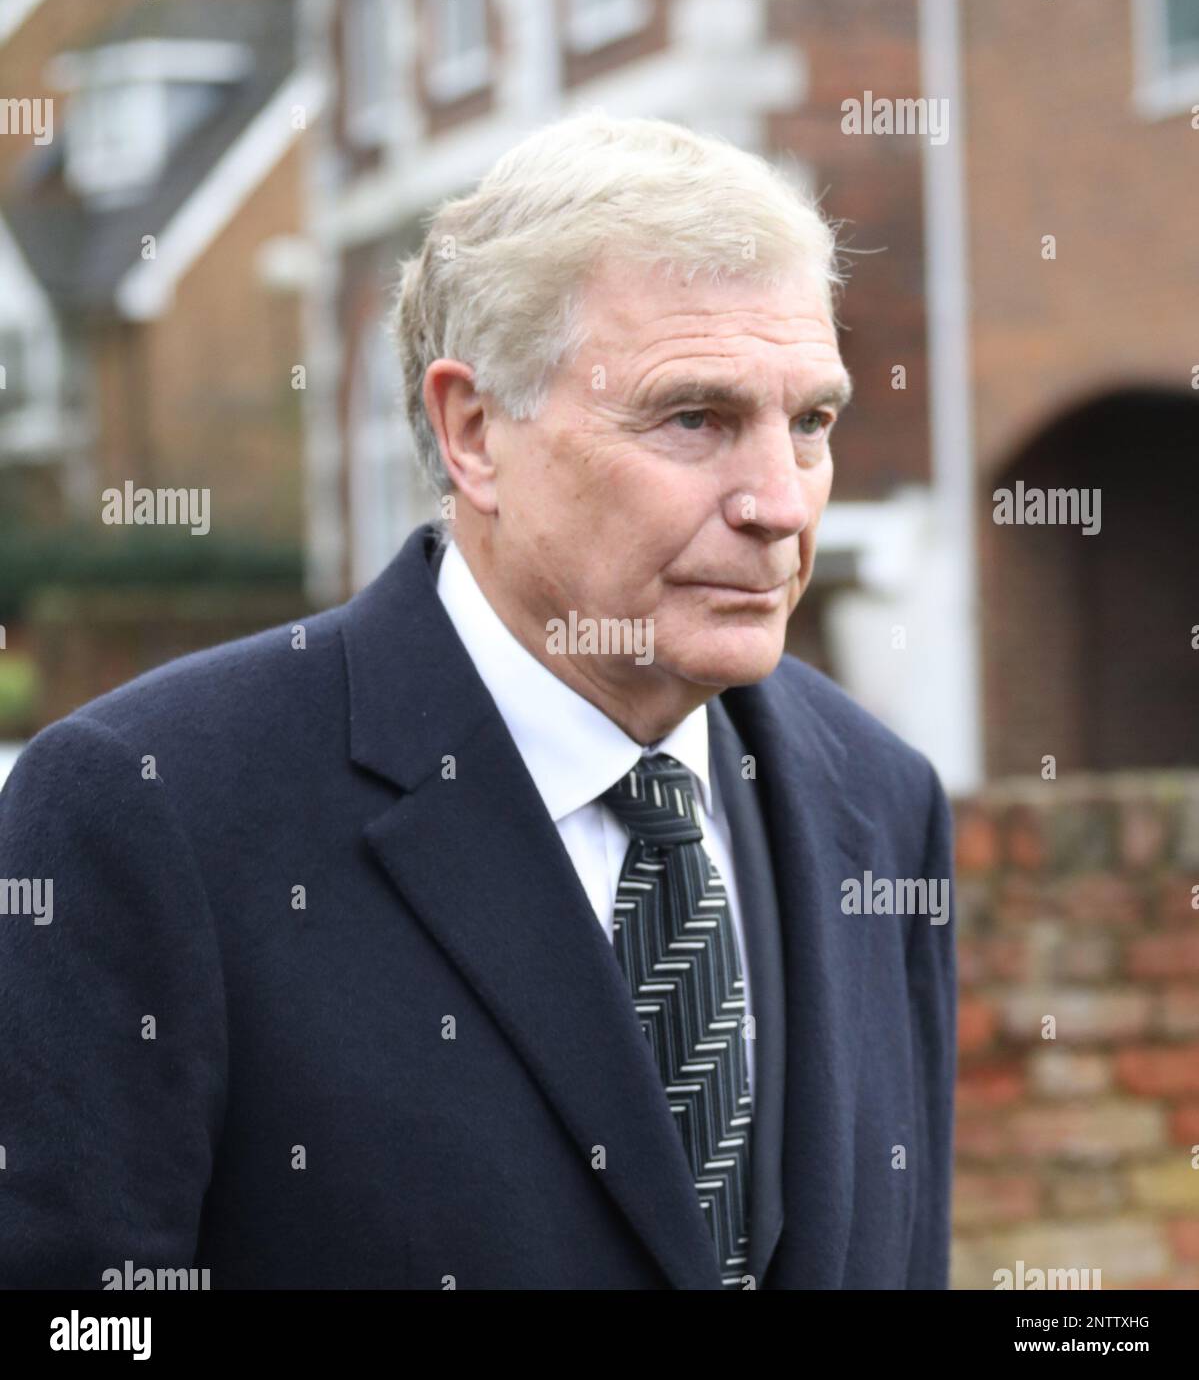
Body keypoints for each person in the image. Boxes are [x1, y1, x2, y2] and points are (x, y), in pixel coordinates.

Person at [0, 112, 955, 1290]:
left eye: (807, 421)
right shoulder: (147, 809)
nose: (777, 501)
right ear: (472, 433)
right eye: (693, 417)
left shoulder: (879, 797)